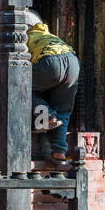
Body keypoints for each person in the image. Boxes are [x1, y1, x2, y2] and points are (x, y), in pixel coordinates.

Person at [26, 12, 80, 165]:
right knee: (63, 109)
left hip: (50, 62)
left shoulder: (25, 34)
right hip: (73, 62)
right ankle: (59, 152)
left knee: (21, 87)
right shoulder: (47, 34)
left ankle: (48, 116)